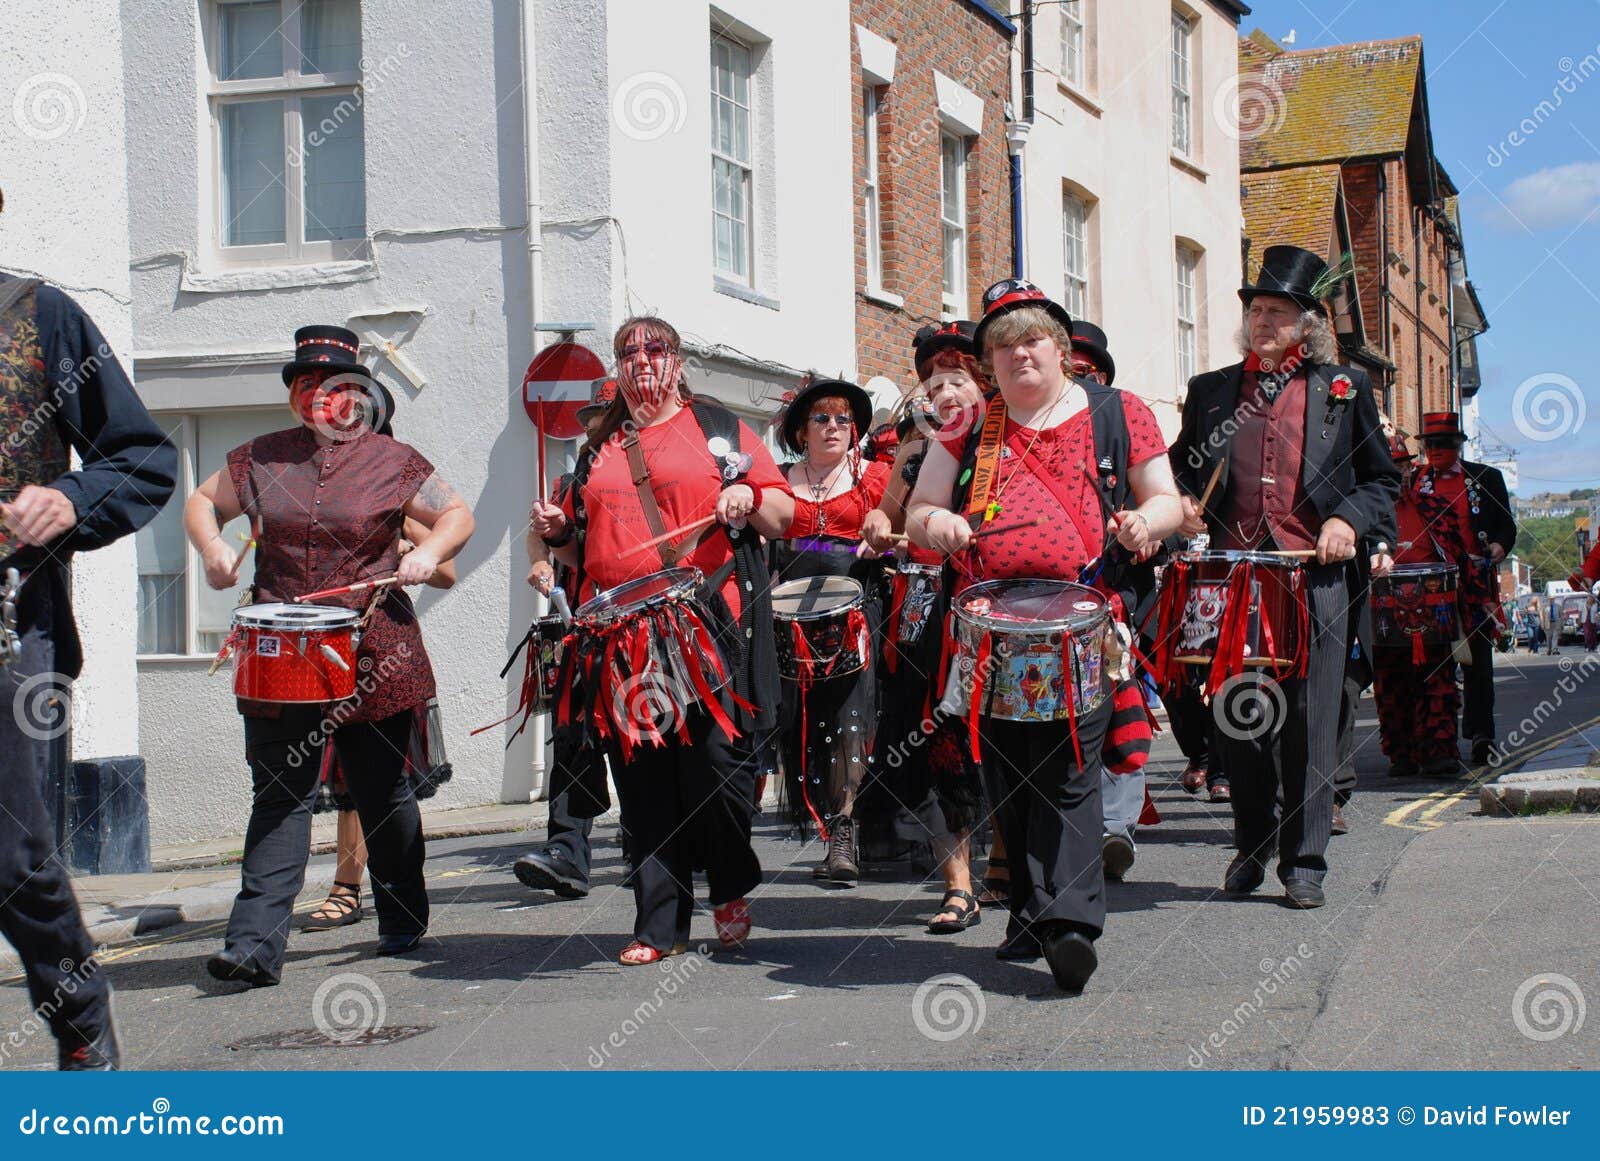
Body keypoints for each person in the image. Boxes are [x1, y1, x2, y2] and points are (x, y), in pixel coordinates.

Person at [907, 279, 1181, 992]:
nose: (1018, 353)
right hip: (990, 630)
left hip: (1082, 626)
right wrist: (942, 524)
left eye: (1031, 339)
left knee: (1067, 767)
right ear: (988, 363)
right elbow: (919, 512)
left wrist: (1143, 523)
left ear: (1060, 348)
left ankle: (1070, 926)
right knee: (1009, 774)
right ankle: (1029, 912)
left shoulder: (1119, 412)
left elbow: (1167, 500)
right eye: (1003, 345)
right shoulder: (970, 424)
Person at [186, 325, 475, 985]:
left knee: (381, 792)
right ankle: (253, 945)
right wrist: (213, 549)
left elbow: (457, 514)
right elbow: (203, 501)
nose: (318, 395)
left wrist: (430, 551)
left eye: (333, 384)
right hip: (282, 657)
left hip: (376, 651)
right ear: (293, 394)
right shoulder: (259, 457)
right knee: (279, 795)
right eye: (305, 382)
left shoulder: (395, 460)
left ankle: (402, 915)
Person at [532, 316, 793, 964]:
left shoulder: (717, 428)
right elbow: (580, 548)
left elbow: (782, 512)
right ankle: (659, 924)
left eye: (655, 348)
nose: (642, 360)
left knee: (717, 767)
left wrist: (746, 491)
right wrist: (558, 533)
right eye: (629, 351)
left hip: (706, 625)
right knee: (643, 779)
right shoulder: (599, 447)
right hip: (623, 635)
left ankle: (729, 886)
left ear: (678, 361)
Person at [0, 186, 177, 1068]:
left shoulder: (39, 315)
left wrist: (69, 498)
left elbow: (143, 459)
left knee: (12, 853)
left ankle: (77, 1012)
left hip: (13, 626)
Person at [1170, 246, 1399, 910]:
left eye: (1277, 310)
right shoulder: (1211, 391)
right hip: (1234, 577)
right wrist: (1180, 502)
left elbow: (1381, 478)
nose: (1263, 320)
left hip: (1315, 578)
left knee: (1309, 719)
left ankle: (1304, 861)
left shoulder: (1344, 389)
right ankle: (1252, 843)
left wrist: (1348, 521)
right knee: (1238, 721)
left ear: (1308, 322)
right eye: (1256, 310)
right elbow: (1180, 470)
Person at [303, 382, 459, 929]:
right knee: (334, 775)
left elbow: (446, 570)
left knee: (367, 780)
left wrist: (409, 550)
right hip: (314, 646)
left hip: (375, 649)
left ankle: (351, 887)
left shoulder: (394, 490)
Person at [862, 321, 990, 932]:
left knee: (995, 737)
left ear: (982, 382)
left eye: (956, 379)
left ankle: (1010, 864)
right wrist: (874, 522)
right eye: (934, 384)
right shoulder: (915, 451)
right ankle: (958, 884)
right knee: (935, 738)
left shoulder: (1001, 443)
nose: (944, 392)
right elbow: (885, 513)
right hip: (920, 609)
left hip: (986, 606)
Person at [774, 377, 890, 882]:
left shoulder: (876, 478)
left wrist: (884, 536)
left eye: (844, 419)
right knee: (805, 725)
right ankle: (827, 823)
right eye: (821, 418)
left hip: (855, 614)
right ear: (802, 431)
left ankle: (844, 833)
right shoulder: (778, 480)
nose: (833, 427)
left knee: (850, 721)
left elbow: (909, 534)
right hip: (791, 620)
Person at [514, 377, 616, 900]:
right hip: (580, 623)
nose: (598, 429)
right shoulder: (569, 482)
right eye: (594, 420)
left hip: (641, 623)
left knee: (649, 735)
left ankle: (659, 846)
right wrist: (539, 561)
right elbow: (539, 533)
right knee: (573, 736)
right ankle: (567, 853)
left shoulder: (649, 472)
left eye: (608, 419)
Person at [1369, 436, 1471, 778]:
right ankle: (1401, 753)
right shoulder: (1367, 514)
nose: (1399, 474)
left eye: (1403, 466)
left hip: (1434, 608)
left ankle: (1439, 752)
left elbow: (1457, 556)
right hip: (1384, 611)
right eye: (1391, 467)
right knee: (1391, 684)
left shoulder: (1434, 506)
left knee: (1437, 681)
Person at [1430, 420, 1515, 764]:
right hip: (1433, 587)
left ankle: (1482, 735)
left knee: (1478, 663)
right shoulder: (1416, 481)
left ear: (1458, 444)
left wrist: (1499, 546)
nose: (1435, 450)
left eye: (1443, 443)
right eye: (1430, 444)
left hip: (1475, 582)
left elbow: (1506, 525)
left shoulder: (1486, 477)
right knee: (1437, 664)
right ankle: (1439, 742)